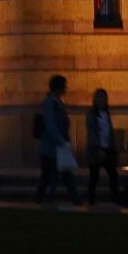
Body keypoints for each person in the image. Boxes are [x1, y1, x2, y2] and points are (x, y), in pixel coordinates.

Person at [33, 74, 80, 205]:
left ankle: (71, 199)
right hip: (52, 147)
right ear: (59, 87)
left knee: (58, 175)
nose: (66, 88)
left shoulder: (57, 102)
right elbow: (50, 125)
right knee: (52, 176)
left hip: (56, 146)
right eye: (64, 86)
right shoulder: (50, 103)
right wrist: (61, 141)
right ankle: (48, 199)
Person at [84, 88, 122, 204]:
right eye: (98, 97)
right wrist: (98, 148)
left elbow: (109, 131)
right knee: (94, 177)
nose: (100, 100)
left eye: (103, 97)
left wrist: (114, 147)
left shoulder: (107, 113)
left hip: (108, 148)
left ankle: (114, 198)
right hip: (96, 150)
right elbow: (92, 132)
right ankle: (91, 200)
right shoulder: (91, 114)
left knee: (113, 175)